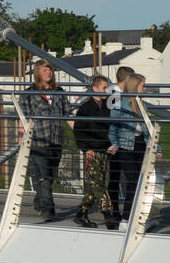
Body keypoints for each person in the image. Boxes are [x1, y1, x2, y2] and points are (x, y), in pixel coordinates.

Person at [20, 60, 70, 222]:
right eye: (45, 70)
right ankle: (49, 210)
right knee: (43, 176)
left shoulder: (59, 91)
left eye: (50, 69)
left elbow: (67, 114)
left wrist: (81, 131)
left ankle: (39, 200)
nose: (49, 72)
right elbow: (23, 118)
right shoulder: (29, 93)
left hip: (56, 140)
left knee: (50, 175)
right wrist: (22, 138)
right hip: (38, 141)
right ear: (38, 73)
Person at [107, 73, 160, 221]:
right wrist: (115, 145)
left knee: (139, 181)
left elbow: (148, 128)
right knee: (133, 179)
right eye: (143, 85)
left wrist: (157, 148)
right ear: (135, 86)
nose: (145, 88)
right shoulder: (120, 103)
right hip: (125, 146)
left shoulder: (141, 103)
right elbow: (113, 127)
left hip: (140, 145)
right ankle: (127, 216)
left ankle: (134, 215)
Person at [70, 74, 117, 229]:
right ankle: (108, 213)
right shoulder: (85, 108)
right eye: (104, 88)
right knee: (98, 184)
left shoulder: (107, 106)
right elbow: (79, 131)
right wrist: (85, 148)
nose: (106, 91)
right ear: (94, 88)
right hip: (93, 150)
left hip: (105, 150)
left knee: (95, 184)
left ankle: (81, 213)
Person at [105, 65, 135, 221]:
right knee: (114, 176)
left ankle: (115, 210)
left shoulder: (119, 94)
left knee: (116, 177)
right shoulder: (114, 94)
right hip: (115, 141)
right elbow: (113, 119)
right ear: (127, 80)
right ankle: (114, 210)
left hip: (119, 140)